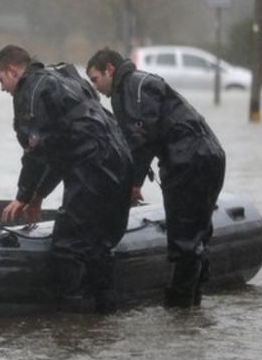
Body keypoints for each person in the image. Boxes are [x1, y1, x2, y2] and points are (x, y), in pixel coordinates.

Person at [0, 44, 133, 313]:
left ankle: (71, 329)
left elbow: (36, 151)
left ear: (12, 70)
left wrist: (22, 195)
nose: (2, 88)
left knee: (68, 248)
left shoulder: (30, 91)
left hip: (93, 165)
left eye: (0, 80)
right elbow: (60, 151)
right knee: (99, 247)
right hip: (119, 158)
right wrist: (39, 194)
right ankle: (104, 322)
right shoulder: (64, 80)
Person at [86, 47, 226, 308]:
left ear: (110, 70)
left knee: (184, 241)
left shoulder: (131, 87)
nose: (96, 88)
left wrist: (133, 183)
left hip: (188, 160)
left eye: (95, 79)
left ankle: (179, 309)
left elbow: (140, 140)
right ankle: (192, 310)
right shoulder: (141, 84)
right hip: (208, 156)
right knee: (197, 237)